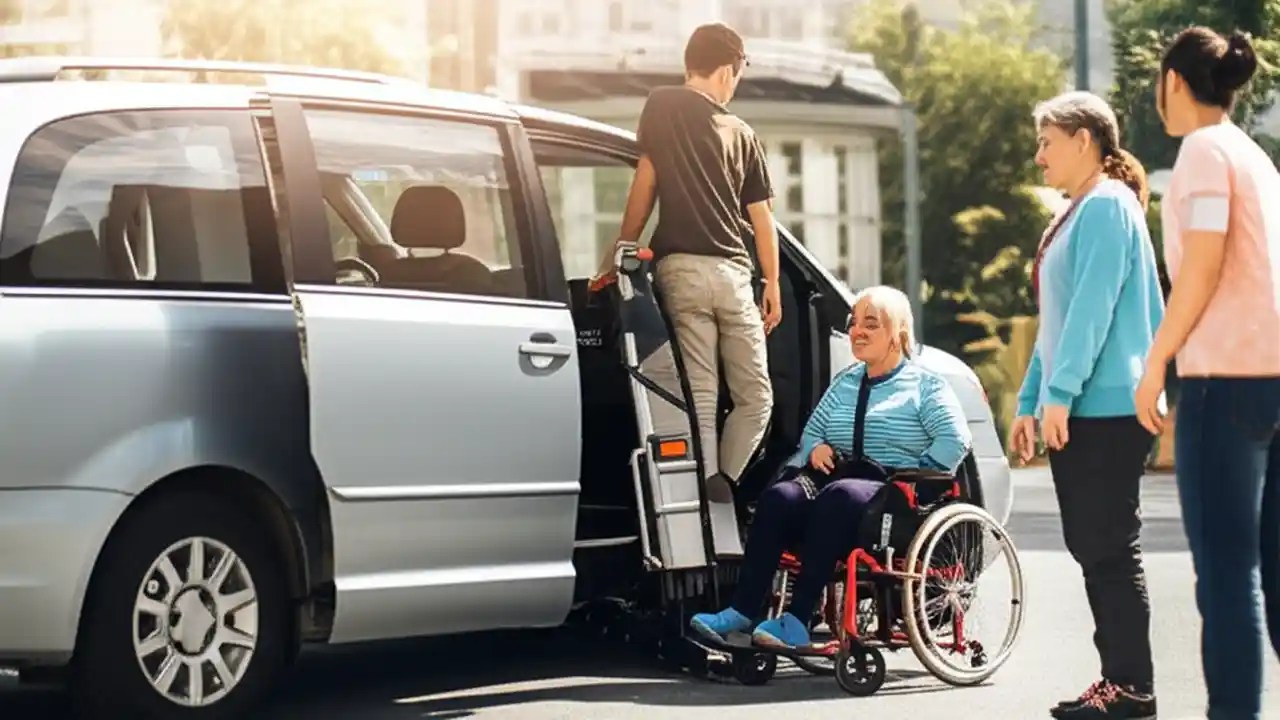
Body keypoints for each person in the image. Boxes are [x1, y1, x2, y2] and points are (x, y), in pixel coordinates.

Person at [688, 285, 971, 650]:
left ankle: (798, 619)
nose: (858, 331)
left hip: (891, 494)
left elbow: (954, 440)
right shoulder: (845, 382)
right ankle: (742, 611)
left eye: (872, 323)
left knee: (838, 495)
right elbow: (811, 433)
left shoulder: (925, 386)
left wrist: (918, 479)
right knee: (780, 497)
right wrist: (815, 449)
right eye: (854, 323)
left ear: (897, 335)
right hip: (836, 482)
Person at [1133, 27, 1280, 720]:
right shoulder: (1256, 157)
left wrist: (1158, 357)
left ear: (1172, 82)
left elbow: (1204, 261)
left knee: (1227, 579)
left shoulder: (1201, 152)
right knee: (1271, 578)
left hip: (1227, 384)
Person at [1009, 91, 1165, 720]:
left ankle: (1131, 688)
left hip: (1105, 408)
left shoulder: (1106, 207)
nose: (1039, 155)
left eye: (1048, 142)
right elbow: (1058, 322)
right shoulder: (1077, 212)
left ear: (1084, 141)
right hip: (1083, 406)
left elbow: (1093, 314)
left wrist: (1062, 394)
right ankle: (1120, 682)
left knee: (1108, 549)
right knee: (1096, 549)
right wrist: (1030, 400)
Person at [597, 22, 781, 504]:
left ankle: (701, 491)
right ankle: (727, 481)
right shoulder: (743, 133)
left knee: (701, 394)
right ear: (727, 70)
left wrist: (619, 250)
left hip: (680, 271)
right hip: (733, 276)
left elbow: (645, 185)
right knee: (756, 397)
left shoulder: (661, 106)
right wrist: (774, 284)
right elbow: (763, 221)